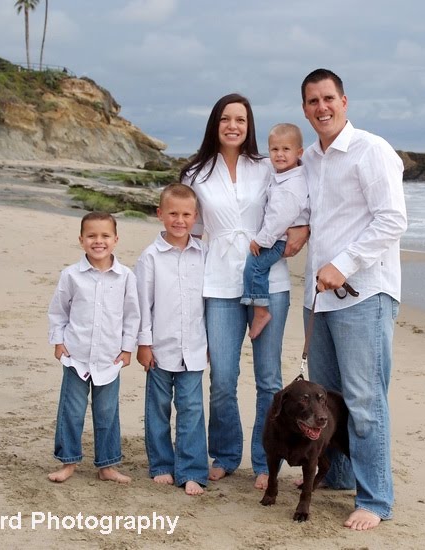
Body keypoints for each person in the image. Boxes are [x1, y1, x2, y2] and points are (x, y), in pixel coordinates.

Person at [180, 93, 308, 490]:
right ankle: (226, 453)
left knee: (269, 379)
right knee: (222, 377)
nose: (233, 125)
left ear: (249, 125)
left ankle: (264, 459)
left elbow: (297, 199)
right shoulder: (196, 173)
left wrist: (303, 227)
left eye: (241, 119)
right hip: (217, 281)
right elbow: (190, 231)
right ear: (215, 123)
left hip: (269, 281)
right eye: (225, 119)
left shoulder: (267, 166)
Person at [299, 68, 407, 530]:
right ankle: (339, 475)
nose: (321, 107)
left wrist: (343, 263)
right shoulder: (308, 157)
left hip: (364, 293)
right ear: (304, 109)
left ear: (345, 101)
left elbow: (392, 220)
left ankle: (376, 499)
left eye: (328, 98)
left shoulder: (372, 150)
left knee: (365, 400)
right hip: (319, 297)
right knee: (328, 402)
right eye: (312, 101)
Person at [47, 211, 140, 484]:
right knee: (71, 410)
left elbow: (132, 315)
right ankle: (68, 461)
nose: (98, 241)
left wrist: (126, 348)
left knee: (107, 412)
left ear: (115, 239)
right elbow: (58, 311)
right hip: (76, 356)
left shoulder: (125, 276)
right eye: (91, 236)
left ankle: (107, 465)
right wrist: (58, 341)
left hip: (109, 358)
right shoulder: (71, 275)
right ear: (81, 240)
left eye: (105, 236)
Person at [134, 183, 209, 496]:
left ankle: (191, 469)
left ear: (196, 217)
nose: (180, 220)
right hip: (160, 348)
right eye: (173, 214)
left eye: (187, 214)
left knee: (192, 409)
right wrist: (144, 343)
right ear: (160, 214)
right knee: (158, 408)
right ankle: (162, 463)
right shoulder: (150, 258)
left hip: (194, 347)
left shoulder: (204, 252)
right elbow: (142, 303)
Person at [241, 123, 309, 340]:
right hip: (277, 235)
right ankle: (259, 308)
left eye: (286, 149)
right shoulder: (284, 176)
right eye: (274, 150)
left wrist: (261, 241)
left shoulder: (291, 184)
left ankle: (260, 310)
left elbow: (279, 218)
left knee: (254, 266)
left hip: (278, 239)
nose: (279, 155)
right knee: (256, 266)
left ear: (299, 153)